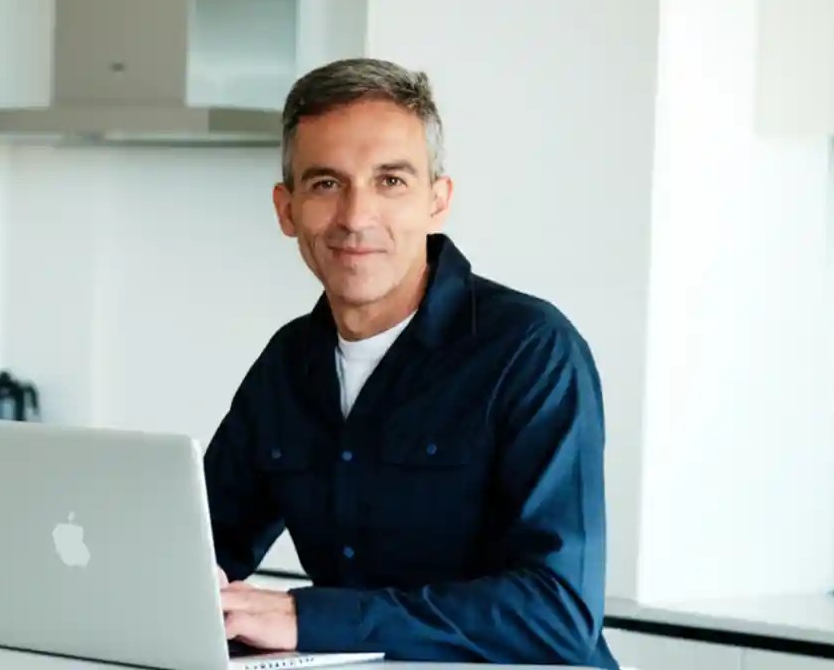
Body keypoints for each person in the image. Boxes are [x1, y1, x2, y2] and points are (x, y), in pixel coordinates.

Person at [205, 58, 617, 669]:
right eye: (325, 183)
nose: (355, 216)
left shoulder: (532, 350)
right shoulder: (288, 365)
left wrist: (308, 617)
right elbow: (200, 547)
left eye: (390, 181)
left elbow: (557, 613)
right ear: (286, 210)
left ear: (437, 201)